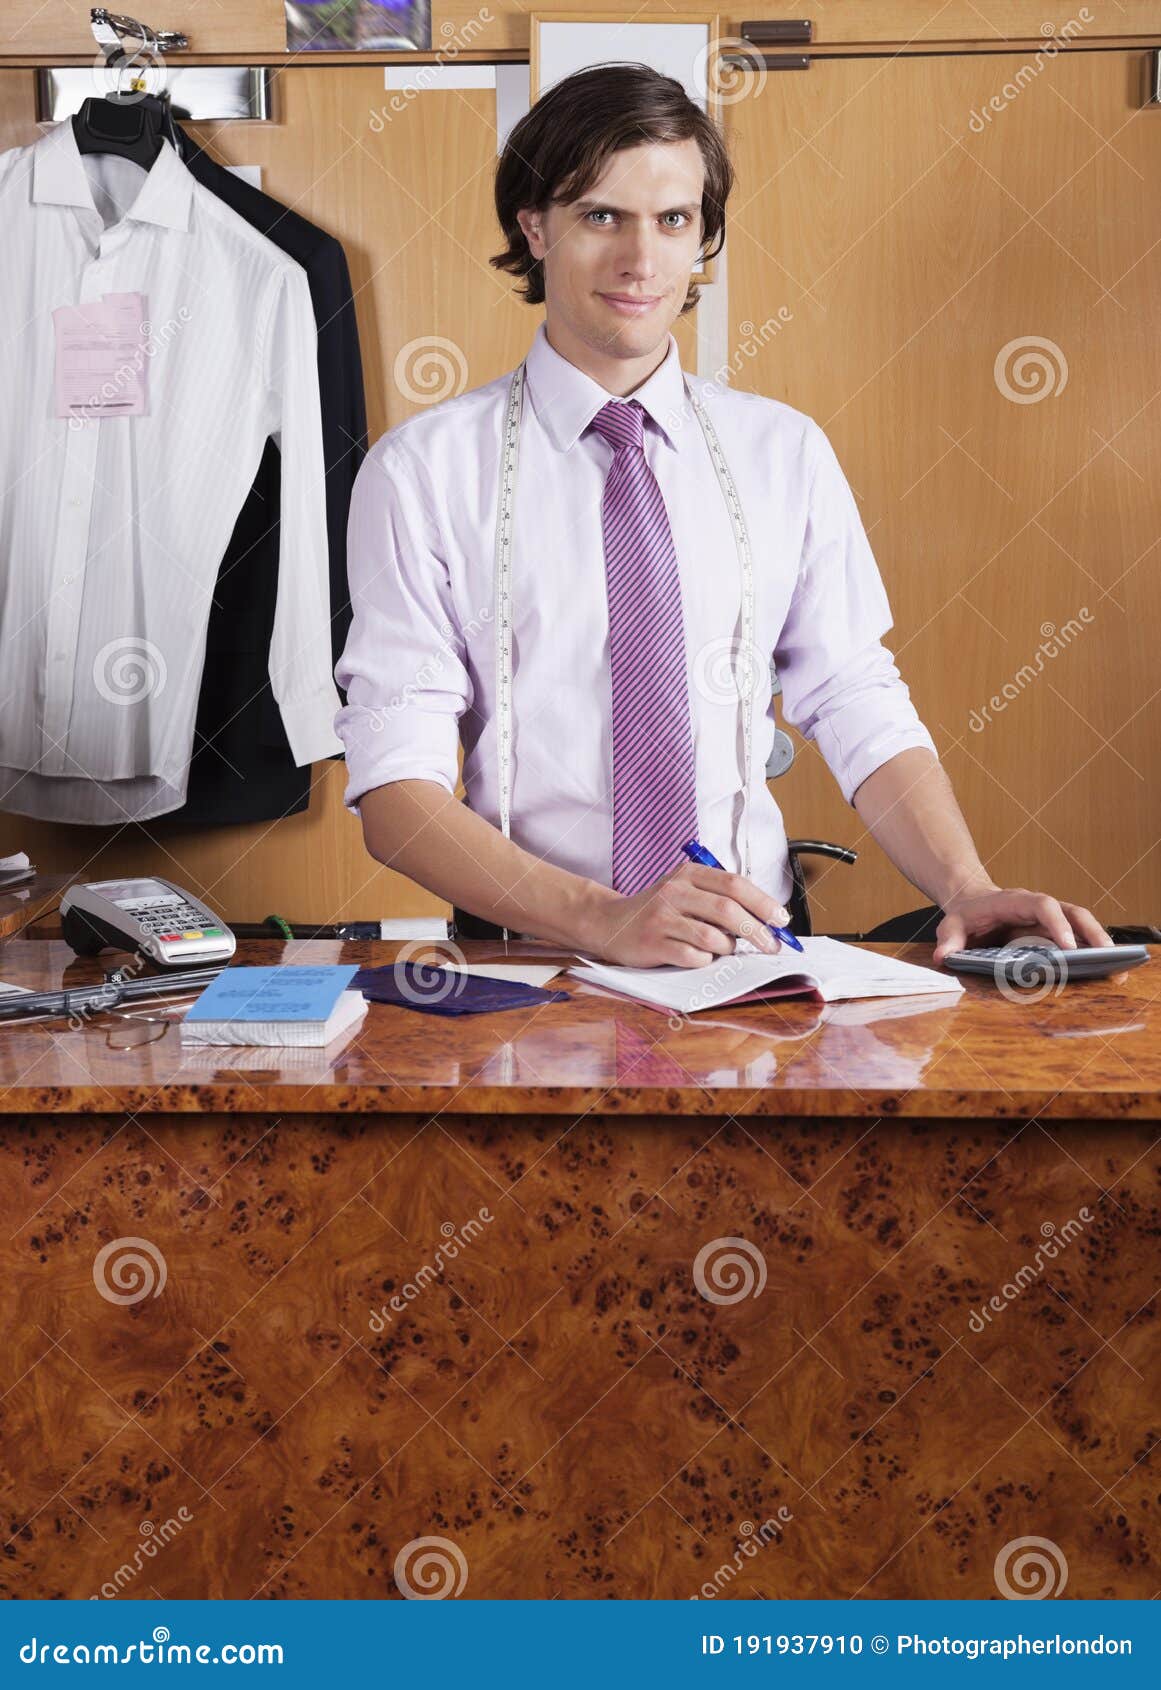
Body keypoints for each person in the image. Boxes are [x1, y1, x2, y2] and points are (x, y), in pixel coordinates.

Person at [334, 62, 1113, 969]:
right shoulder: (423, 470)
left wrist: (965, 886)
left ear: (702, 237)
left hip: (756, 956)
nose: (641, 260)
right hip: (531, 961)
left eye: (674, 221)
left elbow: (853, 693)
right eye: (600, 216)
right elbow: (395, 789)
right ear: (533, 225)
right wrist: (602, 920)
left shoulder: (782, 452)